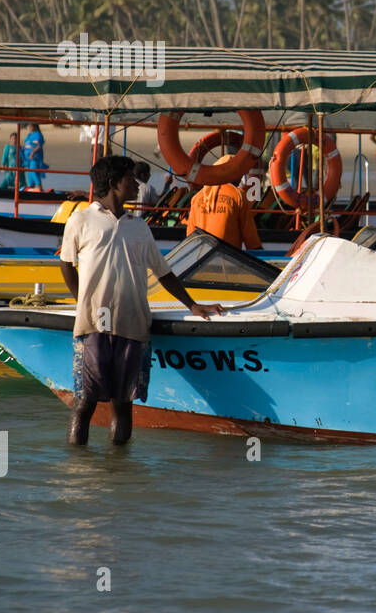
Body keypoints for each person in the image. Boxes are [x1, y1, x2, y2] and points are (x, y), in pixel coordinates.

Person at [61, 156, 223, 444]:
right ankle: (79, 476)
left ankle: (119, 472)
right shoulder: (81, 220)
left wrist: (192, 305)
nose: (137, 185)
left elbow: (163, 272)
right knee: (84, 402)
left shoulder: (139, 227)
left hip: (133, 326)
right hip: (92, 328)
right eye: (130, 179)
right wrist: (82, 304)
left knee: (124, 404)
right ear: (113, 183)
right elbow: (66, 264)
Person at [186, 155, 263, 250]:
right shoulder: (238, 195)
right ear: (230, 173)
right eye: (238, 173)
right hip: (227, 258)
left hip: (202, 257)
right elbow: (250, 238)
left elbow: (190, 236)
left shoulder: (197, 198)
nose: (240, 177)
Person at [21, 123, 47, 190]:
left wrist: (33, 153)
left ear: (34, 126)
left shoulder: (38, 134)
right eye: (28, 126)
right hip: (27, 159)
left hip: (35, 158)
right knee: (30, 174)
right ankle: (31, 187)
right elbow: (27, 144)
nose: (29, 127)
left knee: (34, 171)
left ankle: (39, 188)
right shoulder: (29, 135)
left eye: (30, 126)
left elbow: (39, 146)